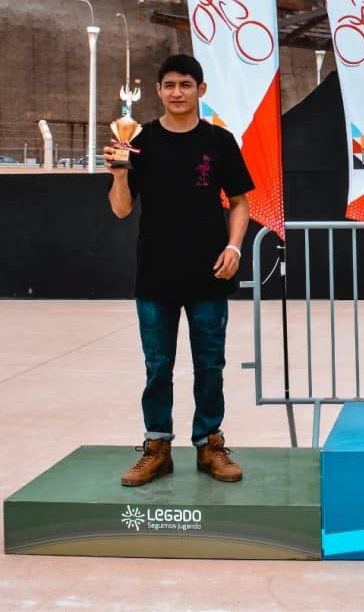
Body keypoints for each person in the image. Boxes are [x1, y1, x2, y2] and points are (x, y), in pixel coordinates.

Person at [106, 53, 254, 486]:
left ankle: (210, 444)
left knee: (211, 363)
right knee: (158, 365)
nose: (177, 92)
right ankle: (157, 446)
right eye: (169, 85)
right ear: (158, 91)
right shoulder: (140, 140)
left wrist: (234, 247)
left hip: (210, 272)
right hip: (155, 274)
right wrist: (117, 173)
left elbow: (241, 202)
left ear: (201, 91)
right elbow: (120, 210)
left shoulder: (220, 142)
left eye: (185, 85)